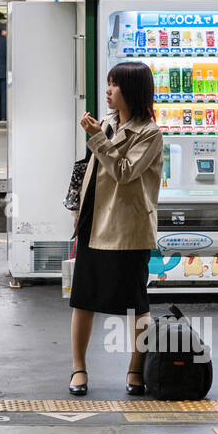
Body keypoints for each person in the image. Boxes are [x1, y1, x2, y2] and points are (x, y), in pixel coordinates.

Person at [68, 61, 163, 397]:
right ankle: (78, 367)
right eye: (108, 84)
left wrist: (96, 138)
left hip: (128, 227)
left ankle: (136, 369)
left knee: (135, 302)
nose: (107, 91)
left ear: (131, 91)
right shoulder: (108, 122)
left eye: (114, 85)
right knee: (83, 298)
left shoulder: (150, 133)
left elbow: (124, 172)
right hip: (94, 222)